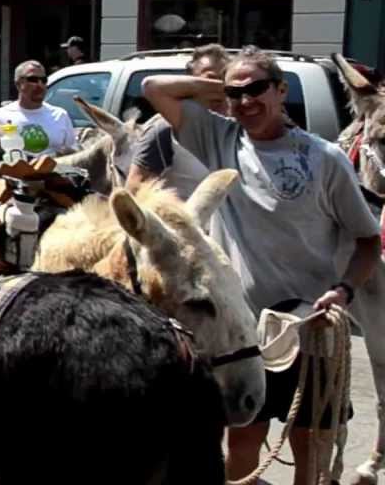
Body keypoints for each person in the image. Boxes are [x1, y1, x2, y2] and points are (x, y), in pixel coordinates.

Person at [143, 46, 381, 485]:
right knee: (241, 446)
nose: (246, 100)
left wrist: (344, 290)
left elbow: (367, 241)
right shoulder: (220, 138)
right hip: (243, 333)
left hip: (312, 328)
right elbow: (154, 89)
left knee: (310, 448)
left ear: (282, 90)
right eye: (236, 94)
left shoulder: (324, 158)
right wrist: (227, 87)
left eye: (257, 89)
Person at [126, 44, 230, 199]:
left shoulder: (240, 125)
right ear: (189, 83)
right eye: (210, 80)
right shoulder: (166, 127)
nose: (218, 88)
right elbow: (134, 192)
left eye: (225, 79)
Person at [0, 60, 77, 156]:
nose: (40, 85)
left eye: (43, 80)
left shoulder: (60, 115)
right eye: (33, 80)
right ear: (18, 84)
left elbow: (73, 153)